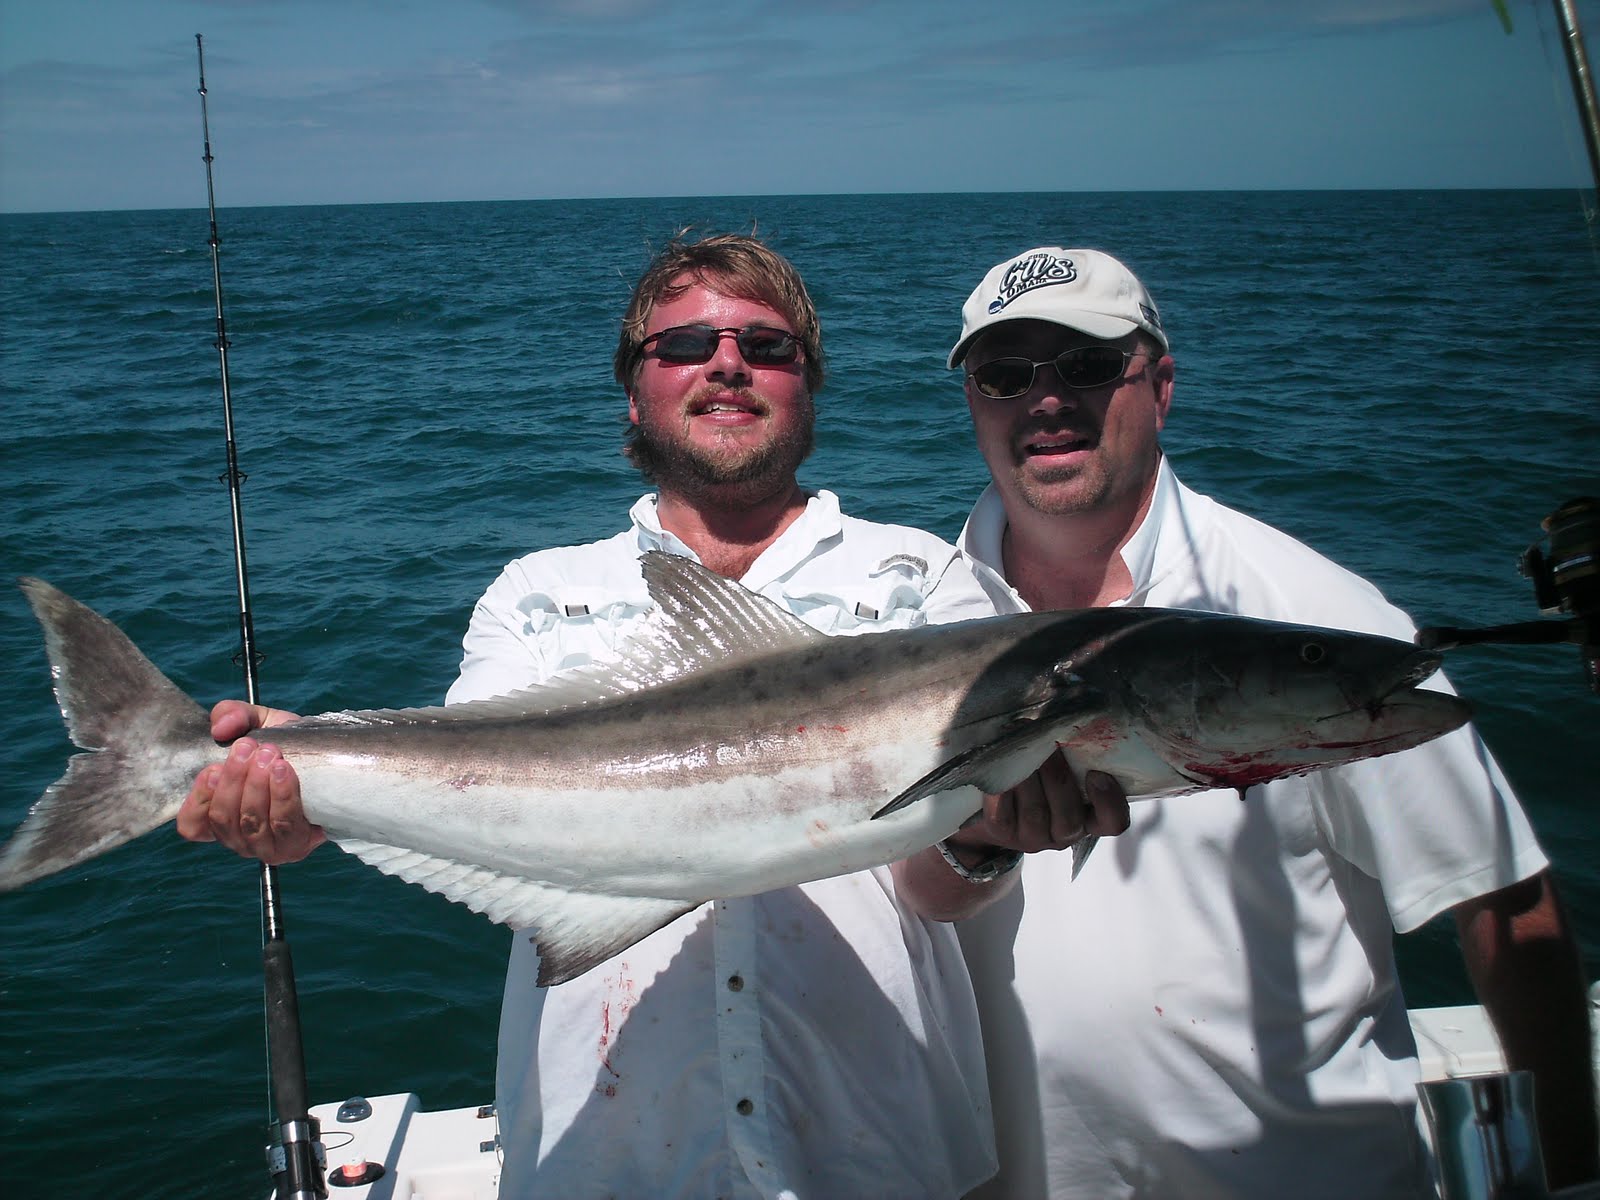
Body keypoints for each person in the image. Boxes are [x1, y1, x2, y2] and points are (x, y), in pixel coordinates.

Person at [174, 232, 1128, 1199]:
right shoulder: (537, 595)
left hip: (877, 1156)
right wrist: (306, 792)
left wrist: (984, 842)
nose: (727, 365)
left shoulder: (927, 582)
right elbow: (484, 823)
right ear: (635, 391)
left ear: (808, 384)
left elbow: (933, 893)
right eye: (685, 346)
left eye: (768, 346)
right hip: (602, 1167)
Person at [932, 245, 1599, 1198]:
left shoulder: (1314, 618)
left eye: (1087, 364)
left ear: (1161, 387)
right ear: (973, 403)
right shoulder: (919, 616)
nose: (1046, 400)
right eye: (1005, 375)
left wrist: (1567, 1178)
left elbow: (1503, 904)